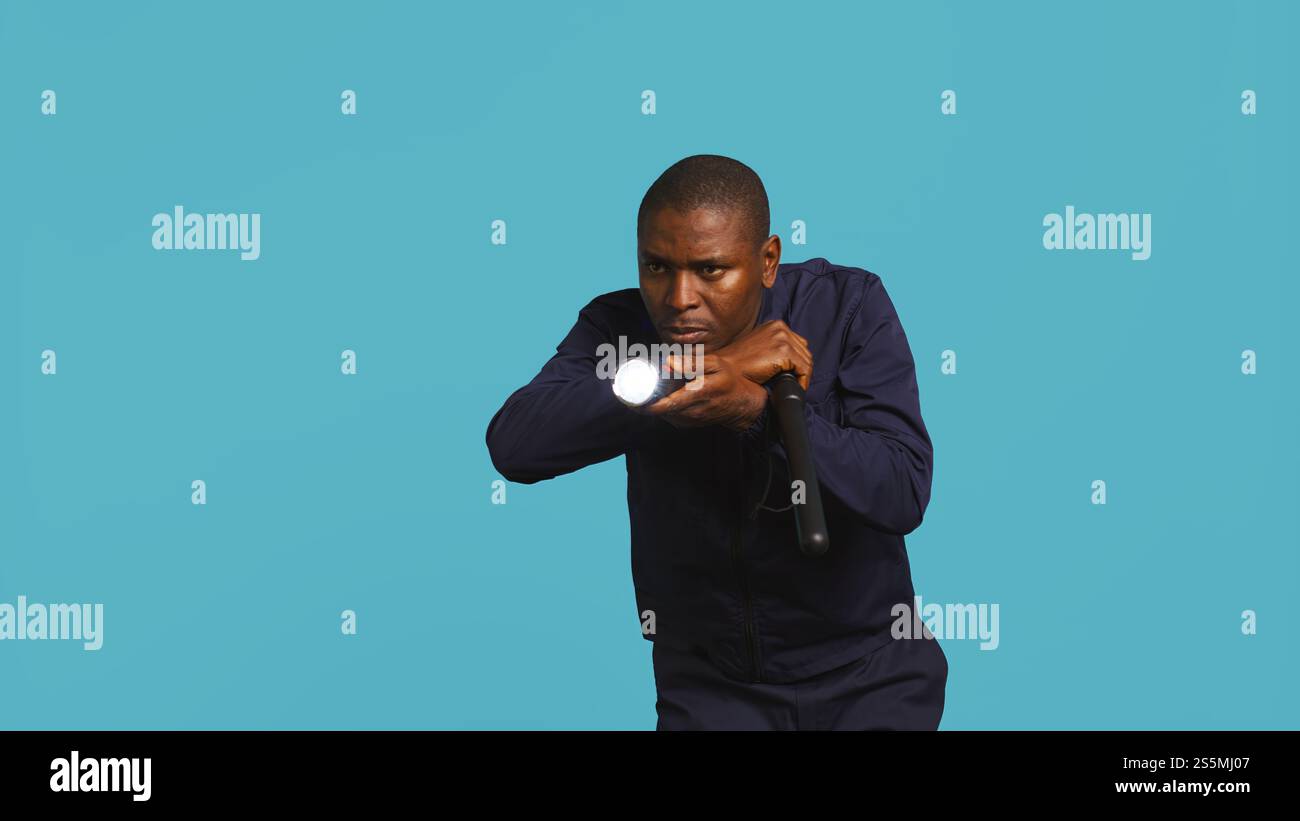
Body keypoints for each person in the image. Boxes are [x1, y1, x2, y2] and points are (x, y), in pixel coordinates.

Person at [485, 154, 947, 730]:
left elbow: (901, 488)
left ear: (767, 261)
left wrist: (760, 411)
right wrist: (704, 369)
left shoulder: (846, 307)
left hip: (870, 677)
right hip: (709, 688)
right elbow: (517, 443)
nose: (679, 298)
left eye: (710, 270)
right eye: (656, 267)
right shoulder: (617, 330)